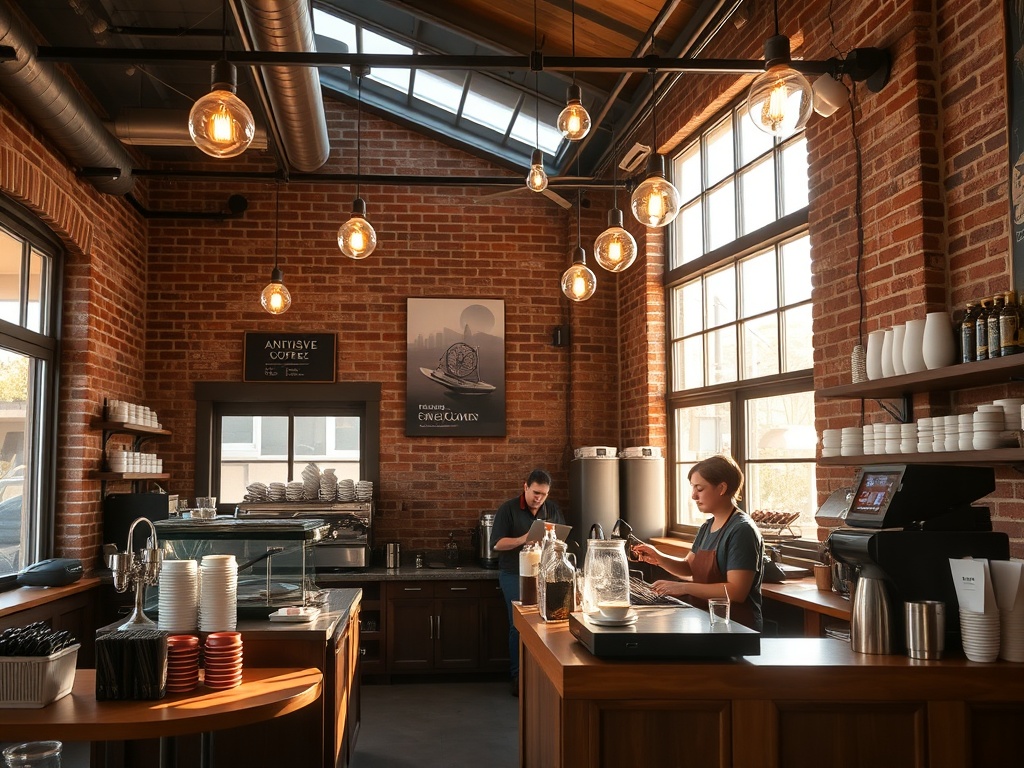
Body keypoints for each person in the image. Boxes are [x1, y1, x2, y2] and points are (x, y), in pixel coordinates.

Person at [633, 454, 764, 630]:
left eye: (699, 488)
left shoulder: (742, 530)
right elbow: (689, 567)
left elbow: (736, 591)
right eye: (693, 488)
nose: (694, 496)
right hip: (705, 620)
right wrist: (659, 557)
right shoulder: (707, 526)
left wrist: (684, 588)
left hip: (735, 627)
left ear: (722, 488)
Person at [490, 468, 565, 696]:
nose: (538, 498)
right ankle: (518, 676)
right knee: (518, 624)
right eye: (535, 493)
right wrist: (525, 539)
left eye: (543, 494)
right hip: (514, 574)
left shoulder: (552, 510)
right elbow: (497, 544)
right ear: (525, 487)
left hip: (545, 574)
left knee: (549, 623)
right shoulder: (508, 509)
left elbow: (562, 539)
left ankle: (543, 674)